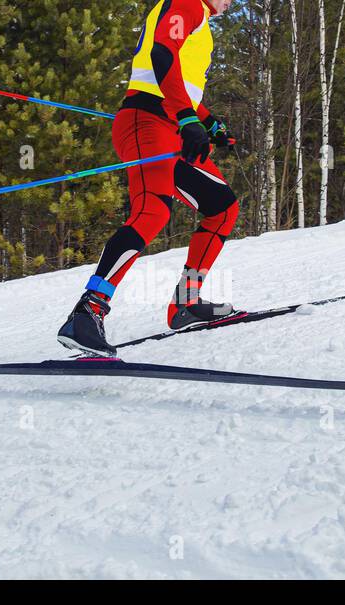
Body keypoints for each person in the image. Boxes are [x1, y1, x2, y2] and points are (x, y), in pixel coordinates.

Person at [58, 0, 239, 357]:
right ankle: (86, 313)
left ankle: (185, 303)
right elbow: (161, 54)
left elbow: (178, 79)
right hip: (147, 122)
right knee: (152, 212)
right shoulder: (187, 3)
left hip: (170, 125)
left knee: (222, 208)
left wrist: (206, 120)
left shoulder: (199, 19)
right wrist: (188, 117)